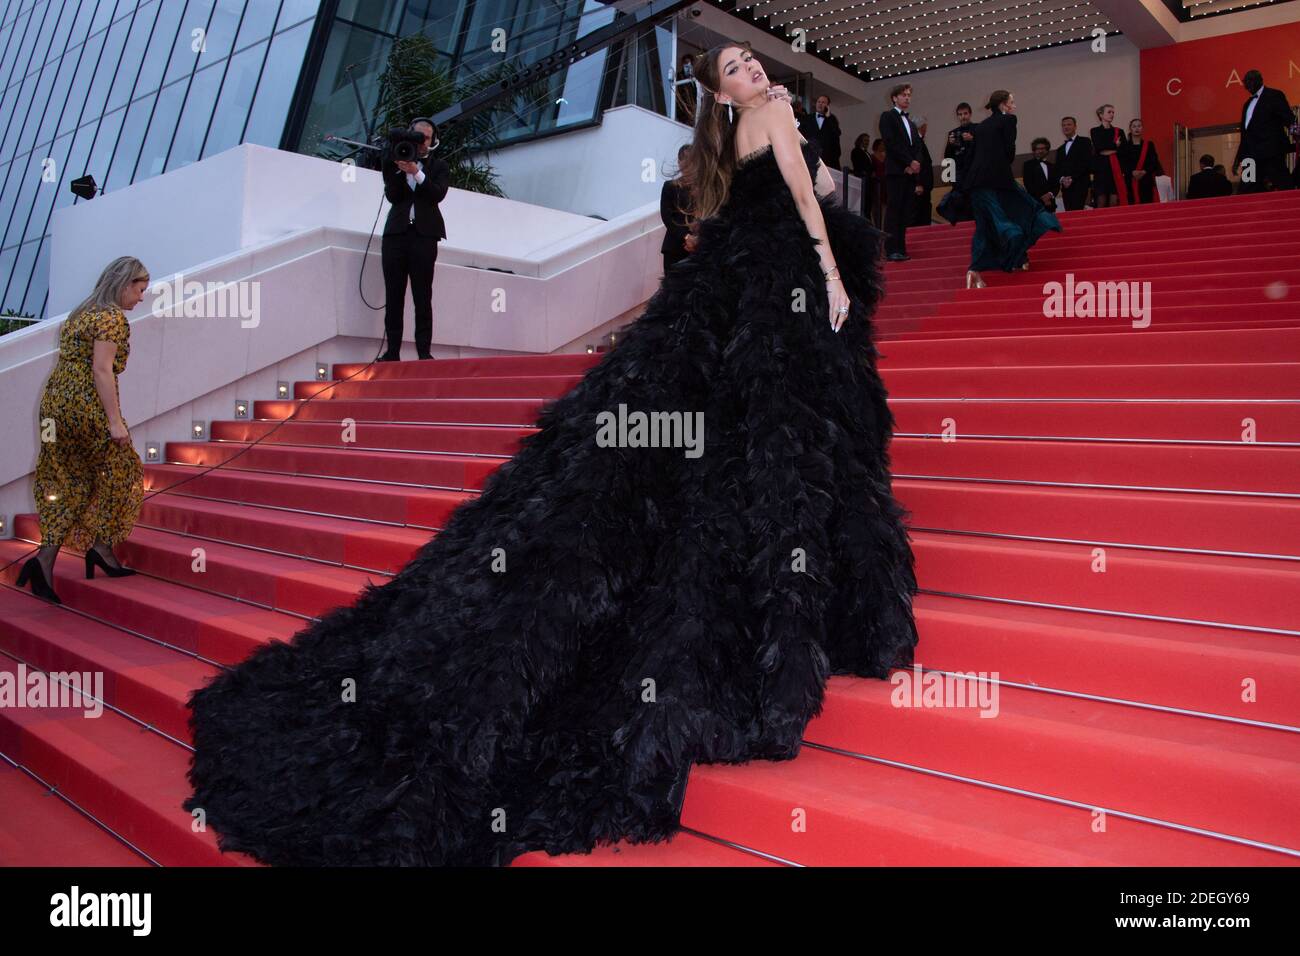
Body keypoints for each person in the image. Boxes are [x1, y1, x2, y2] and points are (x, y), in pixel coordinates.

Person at [182, 39, 919, 868]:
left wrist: (808, 163)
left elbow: (802, 182)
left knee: (675, 444)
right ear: (722, 93)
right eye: (736, 67)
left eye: (753, 61)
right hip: (777, 288)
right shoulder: (776, 116)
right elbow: (810, 200)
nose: (751, 70)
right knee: (777, 436)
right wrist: (832, 273)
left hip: (726, 287)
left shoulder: (730, 139)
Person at [21, 257, 150, 605]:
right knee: (120, 474)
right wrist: (114, 421)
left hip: (54, 407)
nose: (140, 299)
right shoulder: (111, 318)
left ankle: (84, 552)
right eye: (139, 290)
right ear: (124, 283)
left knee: (67, 481)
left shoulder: (83, 313)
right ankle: (80, 553)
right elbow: (102, 371)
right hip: (85, 410)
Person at [963, 90, 1062, 289]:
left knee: (985, 225)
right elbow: (1009, 152)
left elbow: (975, 155)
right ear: (1003, 105)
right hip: (998, 180)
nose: (1014, 105)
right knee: (1022, 213)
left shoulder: (981, 127)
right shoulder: (1008, 120)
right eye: (1011, 102)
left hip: (976, 182)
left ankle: (976, 270)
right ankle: (1016, 257)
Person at [380, 118, 450, 362]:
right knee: (394, 294)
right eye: (416, 135)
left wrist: (417, 173)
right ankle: (392, 351)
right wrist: (401, 168)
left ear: (432, 142)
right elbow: (393, 195)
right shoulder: (394, 161)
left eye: (425, 138)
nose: (420, 142)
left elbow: (436, 194)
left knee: (423, 295)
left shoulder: (439, 166)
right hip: (395, 236)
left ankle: (423, 352)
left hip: (425, 236)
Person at [1233, 70, 1296, 193]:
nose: (1248, 85)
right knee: (1246, 188)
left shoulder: (1274, 95)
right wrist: (1239, 158)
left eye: (1251, 80)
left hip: (1270, 151)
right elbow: (1245, 134)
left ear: (1260, 80)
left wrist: (1296, 133)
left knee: (1283, 183)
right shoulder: (1247, 104)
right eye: (1246, 82)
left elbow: (1288, 118)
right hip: (1249, 155)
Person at [879, 83, 923, 260]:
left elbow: (918, 146)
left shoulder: (912, 124)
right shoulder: (887, 116)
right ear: (894, 98)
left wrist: (916, 163)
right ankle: (891, 250)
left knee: (905, 211)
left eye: (908, 95)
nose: (907, 98)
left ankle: (901, 248)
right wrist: (908, 161)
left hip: (909, 172)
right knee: (894, 209)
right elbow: (890, 143)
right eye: (903, 95)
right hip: (897, 171)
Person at [939, 102, 976, 223]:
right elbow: (947, 157)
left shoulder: (978, 129)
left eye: (965, 113)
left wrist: (972, 139)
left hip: (975, 173)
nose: (963, 117)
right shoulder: (953, 133)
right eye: (960, 114)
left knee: (976, 204)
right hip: (960, 175)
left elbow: (984, 149)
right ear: (957, 116)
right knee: (962, 207)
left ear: (970, 114)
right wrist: (950, 144)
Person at [660, 144, 693, 272]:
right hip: (674, 247)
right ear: (679, 162)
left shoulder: (704, 189)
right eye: (685, 160)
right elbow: (667, 217)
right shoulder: (670, 186)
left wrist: (697, 239)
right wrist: (686, 237)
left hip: (697, 249)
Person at [1090, 104, 1128, 206]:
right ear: (1101, 115)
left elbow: (1124, 150)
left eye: (1113, 112)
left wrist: (1108, 150)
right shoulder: (1095, 131)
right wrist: (1115, 146)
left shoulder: (1119, 131)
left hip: (1115, 169)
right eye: (1109, 112)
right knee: (1100, 198)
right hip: (1101, 169)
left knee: (1114, 199)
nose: (1112, 114)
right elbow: (1099, 147)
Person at [1120, 118, 1163, 204]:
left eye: (1139, 126)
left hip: (1146, 180)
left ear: (1142, 128)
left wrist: (1144, 171)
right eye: (1134, 126)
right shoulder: (1124, 146)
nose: (1137, 128)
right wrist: (1132, 172)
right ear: (1130, 129)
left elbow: (1154, 161)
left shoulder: (1149, 144)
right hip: (1130, 181)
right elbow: (1122, 163)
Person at [1056, 116, 1093, 210]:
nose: (1066, 127)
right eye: (1063, 125)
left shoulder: (1085, 141)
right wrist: (1063, 179)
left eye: (1069, 124)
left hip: (1081, 184)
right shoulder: (1060, 149)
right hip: (1066, 188)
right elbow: (1058, 168)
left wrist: (1072, 178)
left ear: (1075, 126)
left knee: (1081, 215)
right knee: (1070, 215)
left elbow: (1087, 163)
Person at [1022, 137, 1060, 211]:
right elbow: (1028, 184)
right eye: (1038, 149)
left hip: (1051, 204)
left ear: (1047, 150)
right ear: (1034, 151)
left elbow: (1056, 184)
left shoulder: (1052, 166)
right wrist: (1043, 198)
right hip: (1036, 203)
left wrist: (1050, 195)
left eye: (1043, 148)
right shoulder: (1028, 165)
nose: (1040, 151)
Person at [808, 94, 843, 171]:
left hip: (827, 158)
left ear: (827, 106)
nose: (820, 104)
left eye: (823, 102)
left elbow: (837, 133)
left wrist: (828, 117)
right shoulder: (808, 117)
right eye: (818, 102)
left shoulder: (832, 118)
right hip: (811, 156)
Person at [910, 118, 935, 226]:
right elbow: (917, 163)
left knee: (923, 216)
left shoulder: (918, 141)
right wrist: (918, 183)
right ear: (922, 127)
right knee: (919, 218)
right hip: (920, 187)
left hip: (924, 187)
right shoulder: (916, 142)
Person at [850, 132, 875, 218]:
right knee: (863, 203)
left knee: (868, 203)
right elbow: (858, 165)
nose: (867, 142)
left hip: (869, 181)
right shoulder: (856, 151)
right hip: (862, 180)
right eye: (865, 140)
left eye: (868, 140)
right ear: (860, 141)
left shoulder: (867, 152)